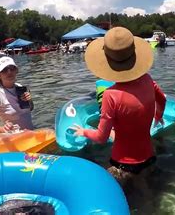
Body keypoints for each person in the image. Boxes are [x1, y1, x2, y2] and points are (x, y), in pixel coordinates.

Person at [71, 26, 166, 187]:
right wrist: (158, 116)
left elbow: (101, 137)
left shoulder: (110, 95)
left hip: (123, 164)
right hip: (149, 157)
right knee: (149, 196)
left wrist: (84, 132)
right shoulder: (148, 80)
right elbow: (162, 100)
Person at [0, 56, 34, 133]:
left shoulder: (20, 87)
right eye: (4, 70)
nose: (9, 72)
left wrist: (30, 101)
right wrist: (3, 129)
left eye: (12, 68)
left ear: (16, 71)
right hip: (15, 138)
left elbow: (30, 109)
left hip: (31, 133)